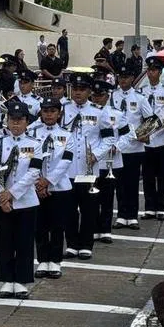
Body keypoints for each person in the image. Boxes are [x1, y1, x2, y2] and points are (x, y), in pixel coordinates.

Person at [0, 100, 42, 300]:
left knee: (24, 241)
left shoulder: (35, 145)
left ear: (26, 122)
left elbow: (33, 173)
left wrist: (12, 193)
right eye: (12, 120)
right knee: (4, 241)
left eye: (20, 120)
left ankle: (21, 280)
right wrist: (2, 195)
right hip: (2, 201)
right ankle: (6, 279)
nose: (16, 124)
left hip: (25, 200)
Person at [61, 72, 105, 259]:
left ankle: (86, 244)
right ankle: (71, 244)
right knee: (68, 209)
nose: (78, 93)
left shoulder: (97, 112)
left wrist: (96, 154)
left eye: (82, 89)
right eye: (75, 89)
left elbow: (109, 138)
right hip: (67, 169)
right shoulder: (62, 110)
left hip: (89, 169)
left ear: (89, 91)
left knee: (89, 209)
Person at [29, 98, 71, 279]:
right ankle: (42, 260)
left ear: (59, 113)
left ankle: (55, 261)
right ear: (41, 113)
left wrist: (49, 181)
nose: (49, 114)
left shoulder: (67, 134)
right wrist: (39, 182)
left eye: (52, 111)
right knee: (39, 226)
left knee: (57, 225)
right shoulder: (31, 132)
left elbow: (66, 161)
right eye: (45, 111)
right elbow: (29, 160)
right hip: (35, 186)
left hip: (59, 187)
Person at [138, 57, 164, 221]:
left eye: (154, 70)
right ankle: (149, 208)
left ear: (160, 73)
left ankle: (161, 208)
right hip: (147, 139)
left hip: (163, 139)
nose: (150, 73)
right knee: (147, 175)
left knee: (162, 176)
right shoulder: (141, 92)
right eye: (149, 70)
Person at [113, 65, 147, 230]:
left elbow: (150, 119)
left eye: (126, 77)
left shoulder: (140, 98)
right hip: (117, 147)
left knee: (132, 182)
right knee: (119, 184)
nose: (123, 80)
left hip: (134, 147)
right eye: (120, 77)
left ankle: (132, 216)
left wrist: (144, 134)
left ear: (132, 78)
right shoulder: (112, 96)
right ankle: (121, 215)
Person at [90, 80, 123, 245]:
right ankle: (93, 228)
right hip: (93, 162)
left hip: (110, 161)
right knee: (92, 197)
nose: (97, 98)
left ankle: (105, 230)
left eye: (100, 95)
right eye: (94, 95)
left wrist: (118, 146)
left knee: (108, 197)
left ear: (107, 96)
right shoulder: (88, 113)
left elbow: (127, 134)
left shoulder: (116, 114)